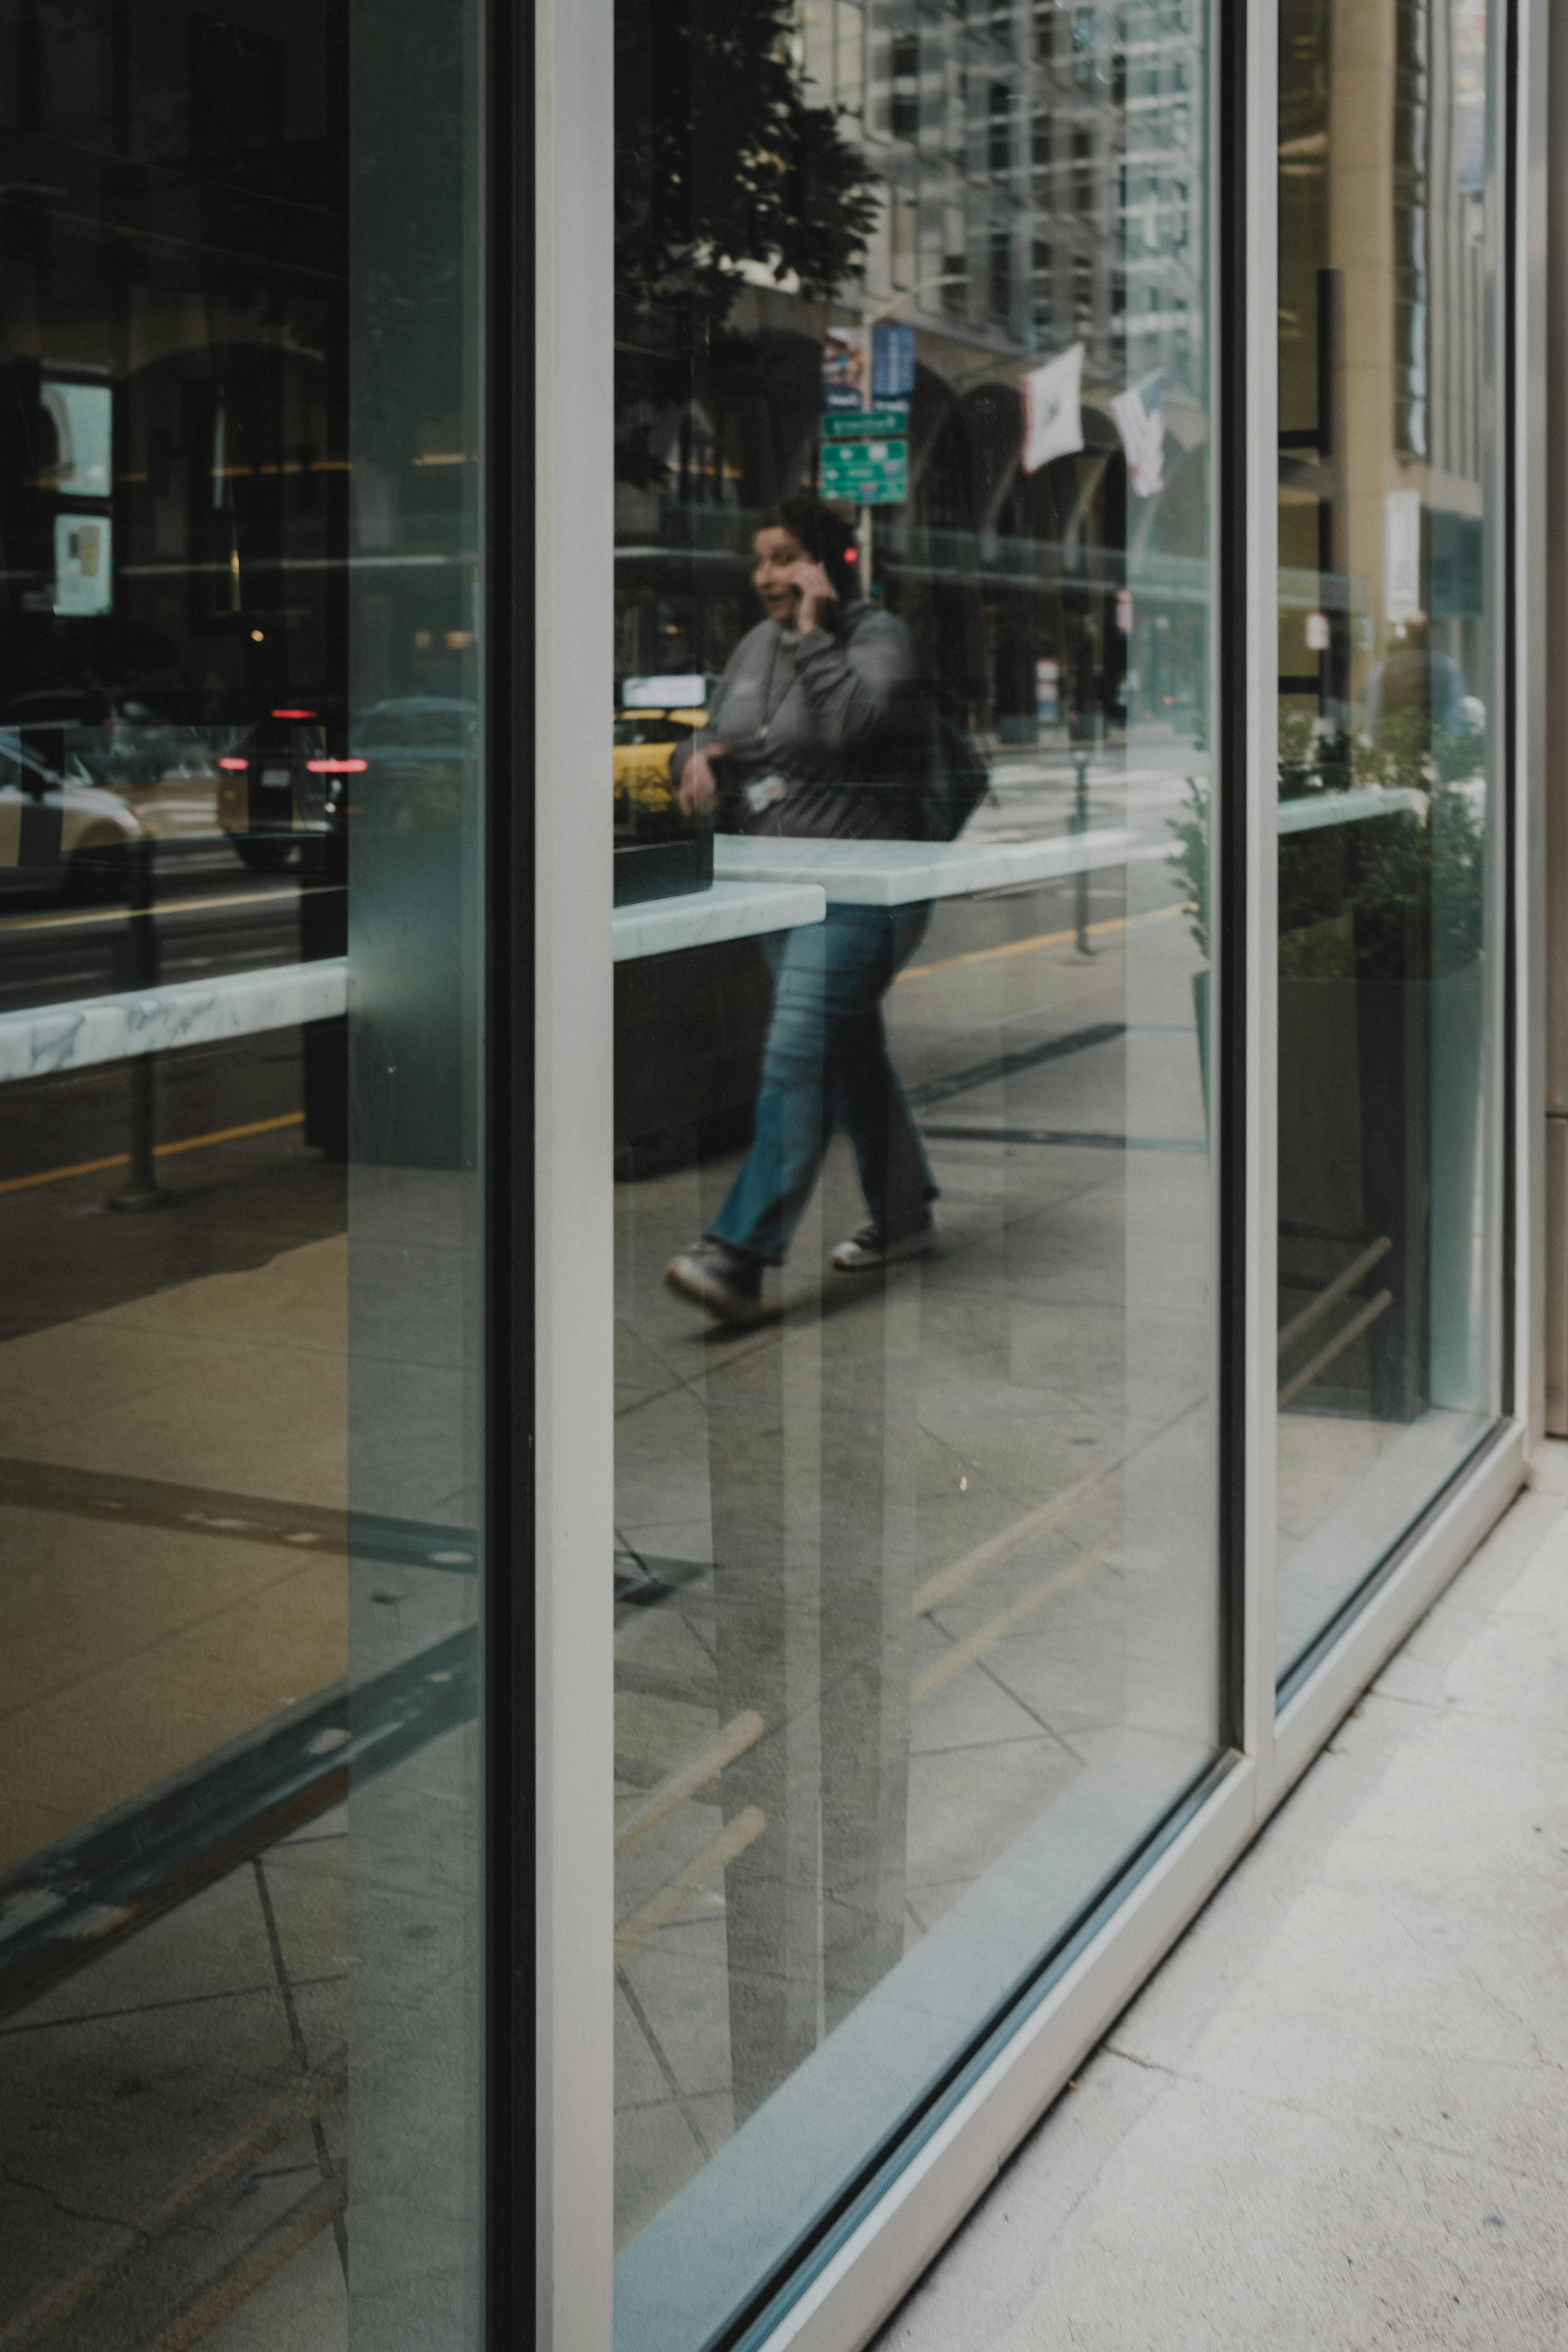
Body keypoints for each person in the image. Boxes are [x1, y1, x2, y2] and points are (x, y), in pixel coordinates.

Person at [663, 497, 939, 1325]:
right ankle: (905, 1213)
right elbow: (715, 729)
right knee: (843, 1050)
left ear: (824, 563)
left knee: (796, 1054)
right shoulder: (752, 645)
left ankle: (737, 1257)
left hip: (866, 889)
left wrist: (816, 632)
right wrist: (696, 755)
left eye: (785, 558)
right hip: (782, 891)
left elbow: (856, 725)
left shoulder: (875, 638)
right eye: (760, 560)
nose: (766, 577)